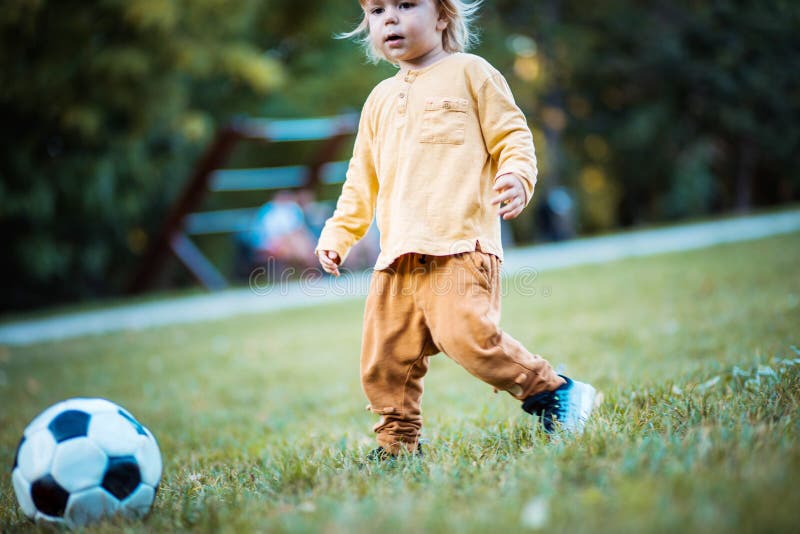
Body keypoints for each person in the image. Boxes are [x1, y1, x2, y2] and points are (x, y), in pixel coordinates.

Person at [316, 0, 597, 459]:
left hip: (460, 245)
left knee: (469, 340)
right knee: (384, 362)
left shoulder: (471, 72)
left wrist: (518, 175)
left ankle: (554, 392)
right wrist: (337, 234)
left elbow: (512, 135)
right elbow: (360, 181)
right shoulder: (379, 100)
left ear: (443, 15)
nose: (389, 18)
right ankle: (397, 444)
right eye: (376, 10)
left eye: (406, 4)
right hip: (398, 258)